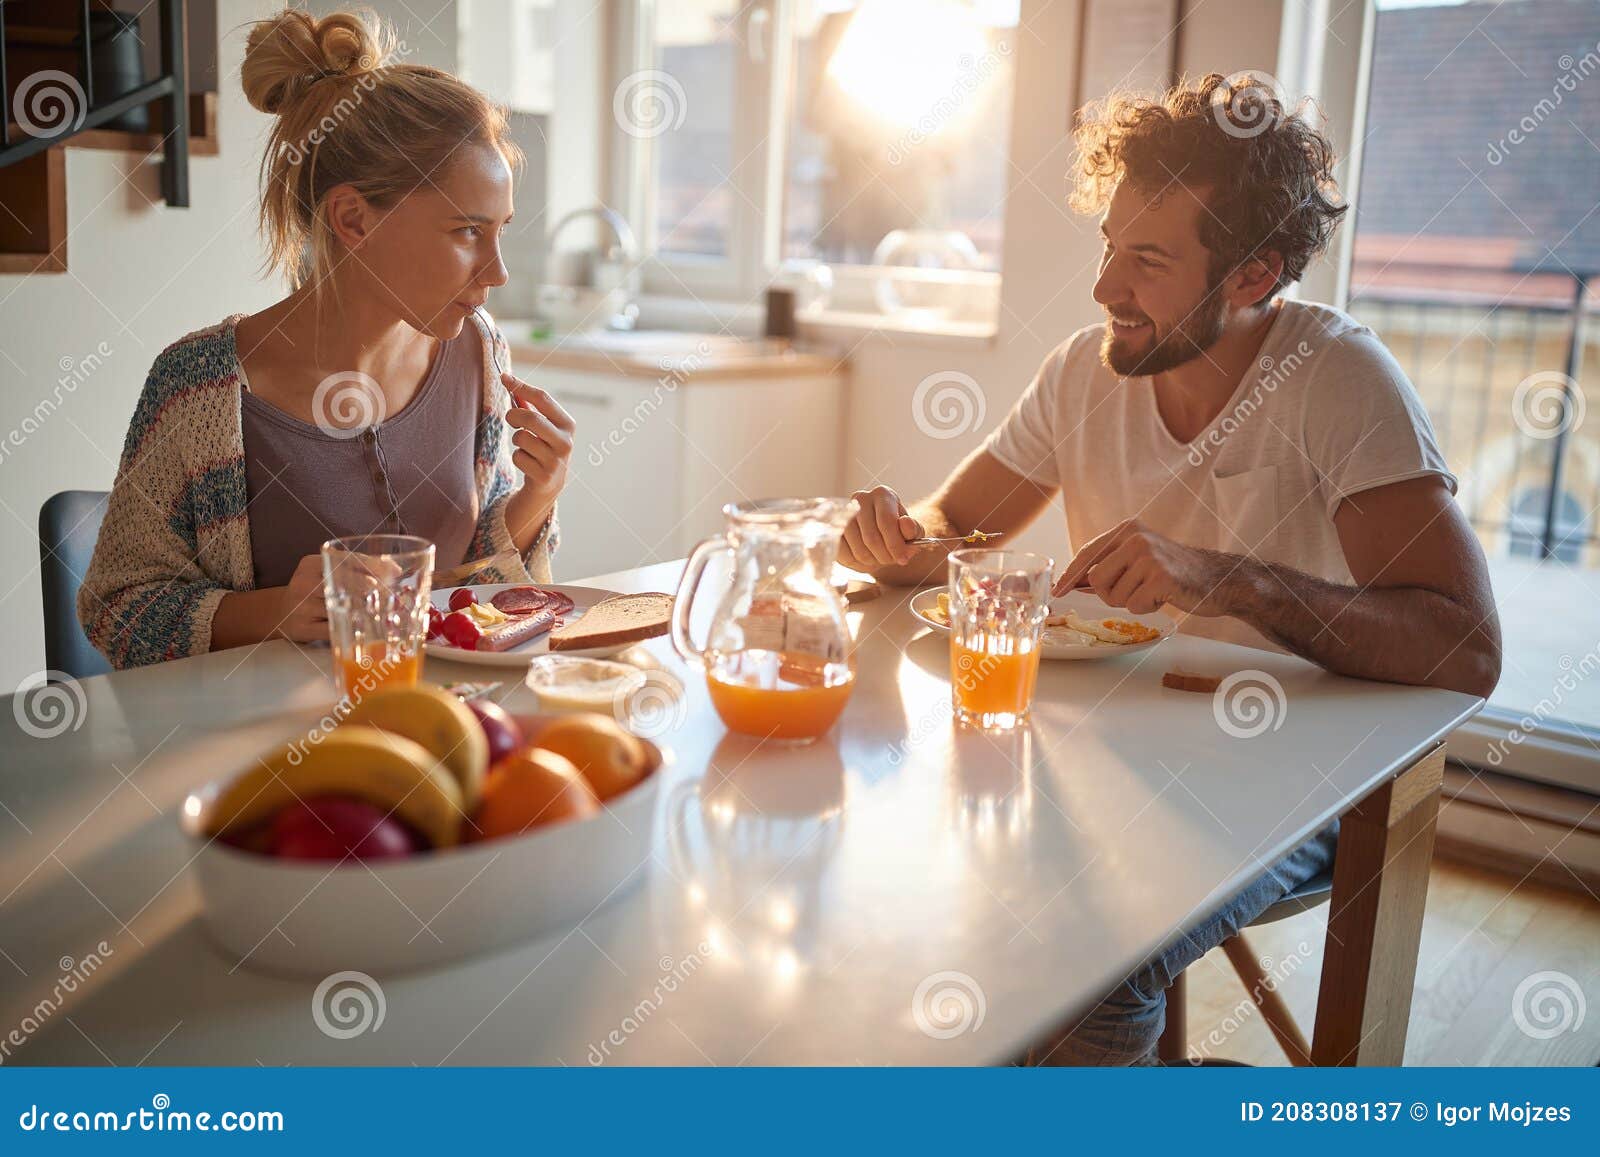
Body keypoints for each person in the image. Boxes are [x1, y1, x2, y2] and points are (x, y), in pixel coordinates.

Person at [838, 74, 1502, 1064]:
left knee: (1082, 974)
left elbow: (1465, 645)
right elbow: (954, 523)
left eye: (1146, 258)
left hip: (1302, 777)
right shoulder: (1080, 368)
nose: (1106, 287)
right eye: (1110, 246)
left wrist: (1226, 577)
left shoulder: (1337, 378)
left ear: (1250, 275)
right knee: (912, 889)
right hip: (1117, 755)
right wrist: (902, 540)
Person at [78, 8, 572, 669]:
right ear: (352, 219)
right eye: (465, 232)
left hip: (443, 732)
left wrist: (538, 498)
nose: (498, 271)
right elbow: (117, 608)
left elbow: (468, 589)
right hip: (266, 760)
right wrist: (277, 611)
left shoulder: (477, 353)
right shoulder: (199, 388)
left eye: (500, 230)